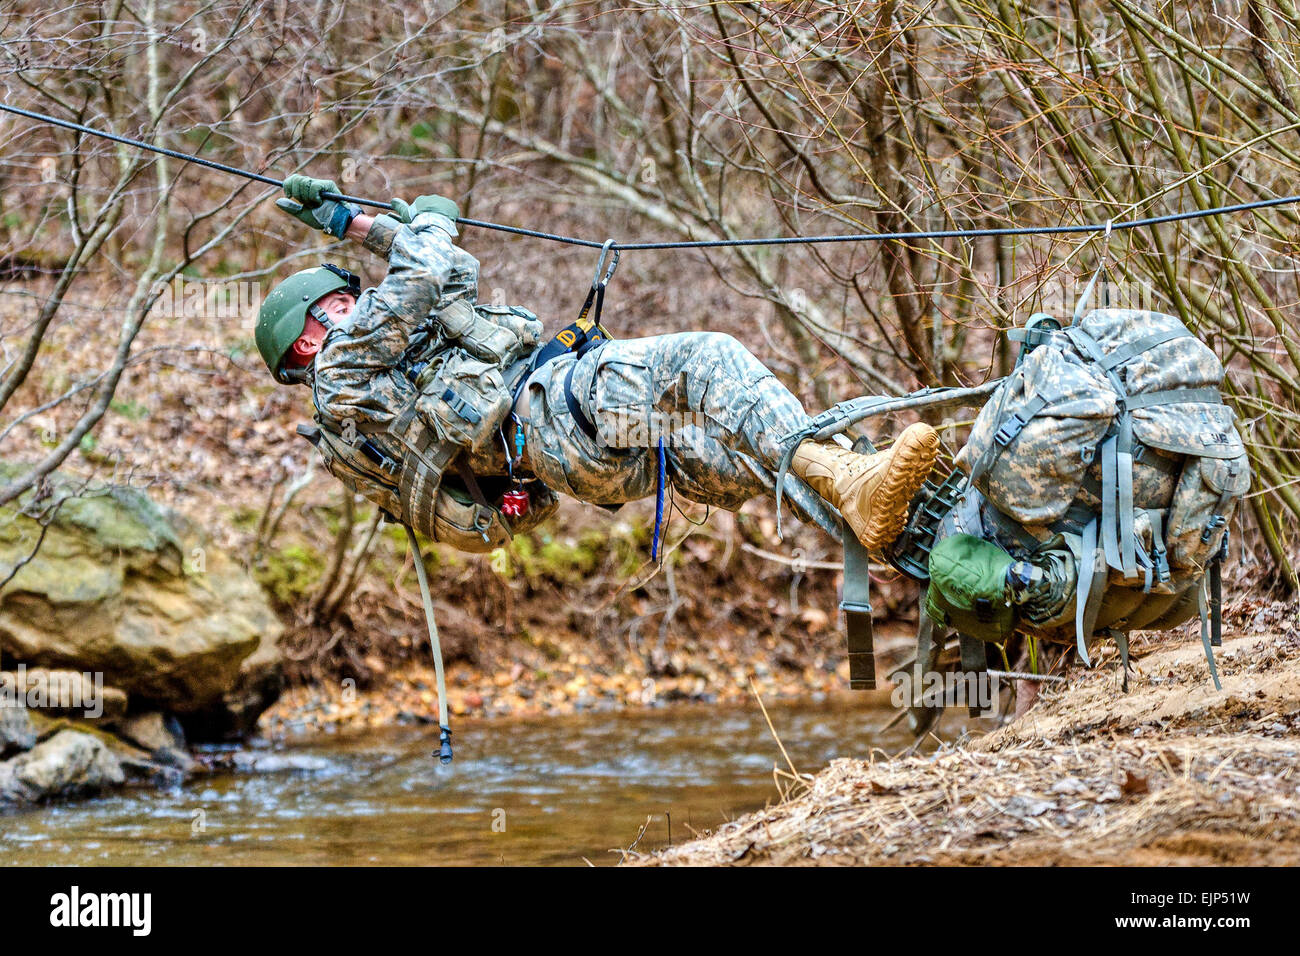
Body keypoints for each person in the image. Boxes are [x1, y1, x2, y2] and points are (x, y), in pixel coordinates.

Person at [254, 174, 940, 555]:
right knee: (707, 362)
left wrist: (365, 224)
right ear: (308, 341)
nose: (360, 301)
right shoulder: (342, 369)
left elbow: (452, 277)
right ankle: (855, 480)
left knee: (742, 454)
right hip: (554, 411)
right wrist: (401, 227)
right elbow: (431, 263)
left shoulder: (378, 374)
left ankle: (898, 518)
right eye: (342, 301)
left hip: (574, 459)